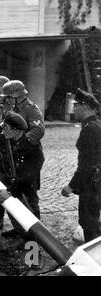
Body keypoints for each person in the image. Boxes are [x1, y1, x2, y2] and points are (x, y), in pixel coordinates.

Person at [0, 111, 44, 249]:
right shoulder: (2, 140)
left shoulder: (32, 147)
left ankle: (33, 259)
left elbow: (28, 177)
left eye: (5, 128)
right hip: (3, 185)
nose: (2, 130)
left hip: (24, 189)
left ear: (16, 130)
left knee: (30, 225)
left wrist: (10, 191)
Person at [0, 80, 45, 238]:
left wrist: (23, 144)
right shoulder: (14, 108)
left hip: (28, 156)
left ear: (15, 96)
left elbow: (39, 129)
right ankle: (19, 227)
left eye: (8, 97)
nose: (7, 100)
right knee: (16, 191)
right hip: (15, 156)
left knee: (29, 195)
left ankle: (35, 234)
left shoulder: (30, 109)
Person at [61, 88, 101, 243]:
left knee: (89, 223)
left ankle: (93, 261)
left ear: (85, 107)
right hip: (96, 181)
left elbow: (86, 166)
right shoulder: (95, 125)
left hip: (91, 183)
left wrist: (70, 187)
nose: (74, 109)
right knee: (93, 220)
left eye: (76, 106)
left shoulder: (89, 130)